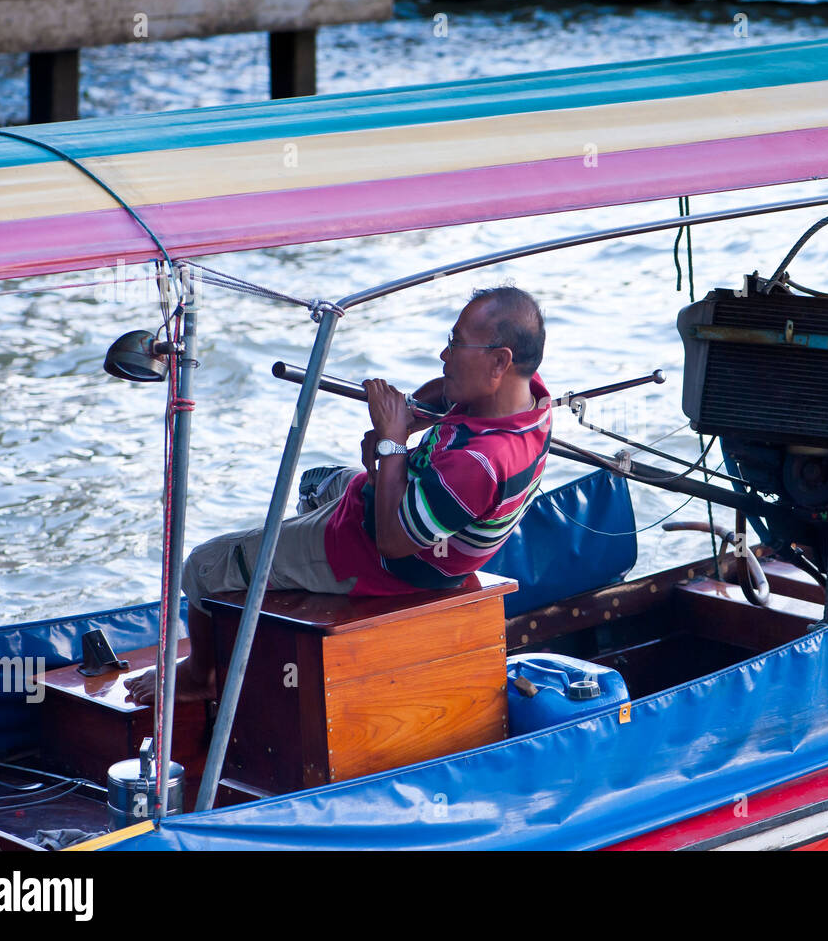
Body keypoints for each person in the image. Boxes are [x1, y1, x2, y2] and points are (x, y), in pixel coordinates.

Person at [125, 286, 550, 703]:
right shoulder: (526, 398)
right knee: (316, 482)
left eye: (456, 345)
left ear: (499, 361)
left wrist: (393, 442)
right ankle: (288, 575)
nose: (444, 356)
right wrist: (412, 414)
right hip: (405, 510)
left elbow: (393, 541)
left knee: (201, 566)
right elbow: (446, 391)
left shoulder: (478, 466)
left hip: (384, 557)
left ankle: (203, 675)